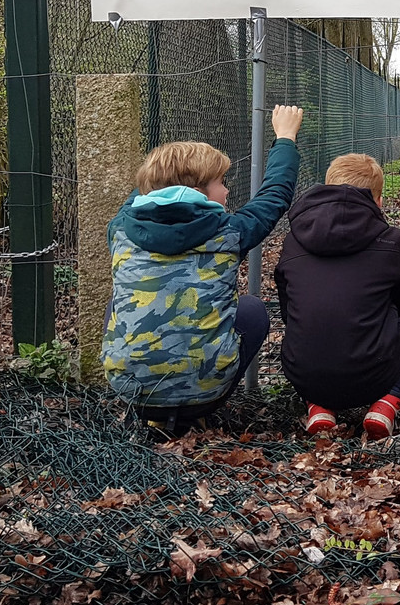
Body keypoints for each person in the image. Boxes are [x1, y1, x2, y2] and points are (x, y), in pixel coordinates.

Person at [103, 105, 304, 433]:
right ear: (198, 191)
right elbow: (274, 196)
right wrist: (285, 138)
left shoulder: (121, 231)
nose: (226, 191)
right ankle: (195, 408)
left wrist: (164, 171)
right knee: (252, 310)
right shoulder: (229, 233)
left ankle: (152, 411)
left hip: (132, 389)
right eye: (220, 182)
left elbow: (144, 191)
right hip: (207, 393)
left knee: (121, 304)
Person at [275, 153, 400, 439]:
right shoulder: (391, 240)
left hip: (305, 373)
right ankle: (388, 403)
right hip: (372, 376)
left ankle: (318, 405)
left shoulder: (293, 240)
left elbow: (287, 310)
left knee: (306, 333)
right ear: (377, 200)